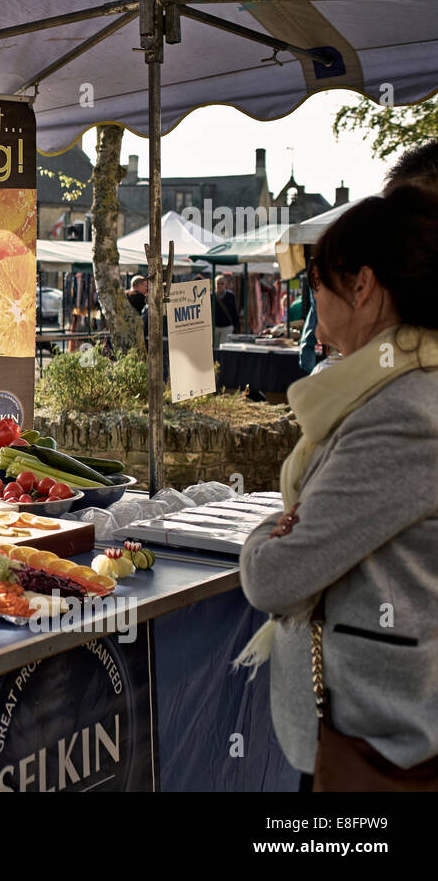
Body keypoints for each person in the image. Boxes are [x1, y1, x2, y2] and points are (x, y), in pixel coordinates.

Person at [236, 184, 438, 791]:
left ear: (362, 286)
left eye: (315, 285)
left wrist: (265, 532)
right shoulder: (397, 386)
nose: (311, 302)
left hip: (379, 744)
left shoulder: (400, 413)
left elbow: (275, 577)